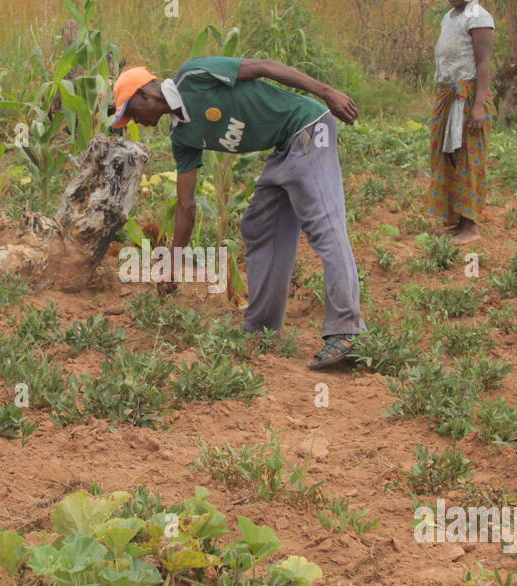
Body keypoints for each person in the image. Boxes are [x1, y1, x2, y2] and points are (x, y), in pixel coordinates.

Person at [109, 57, 364, 370]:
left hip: (309, 127)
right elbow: (186, 206)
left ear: (146, 94)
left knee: (325, 225)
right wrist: (172, 264)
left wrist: (326, 92)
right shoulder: (182, 138)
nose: (136, 121)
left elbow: (263, 67)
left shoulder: (194, 76)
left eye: (132, 112)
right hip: (284, 146)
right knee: (260, 225)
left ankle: (347, 332)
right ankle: (262, 329)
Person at [428, 0, 494, 246]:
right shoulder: (449, 17)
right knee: (450, 157)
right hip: (448, 95)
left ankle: (471, 226)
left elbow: (483, 63)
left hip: (468, 97)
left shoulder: (478, 17)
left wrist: (478, 105)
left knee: (468, 158)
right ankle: (456, 219)